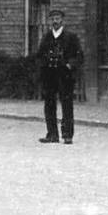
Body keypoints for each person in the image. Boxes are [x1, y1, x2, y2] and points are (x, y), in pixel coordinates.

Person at [36, 9, 83, 144]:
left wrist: (70, 65)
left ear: (62, 20)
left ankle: (67, 135)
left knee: (67, 105)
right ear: (49, 21)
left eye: (57, 18)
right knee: (49, 104)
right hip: (50, 75)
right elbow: (39, 55)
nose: (55, 21)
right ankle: (52, 134)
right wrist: (42, 67)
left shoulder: (71, 37)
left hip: (65, 75)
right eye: (52, 19)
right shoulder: (46, 37)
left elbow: (79, 56)